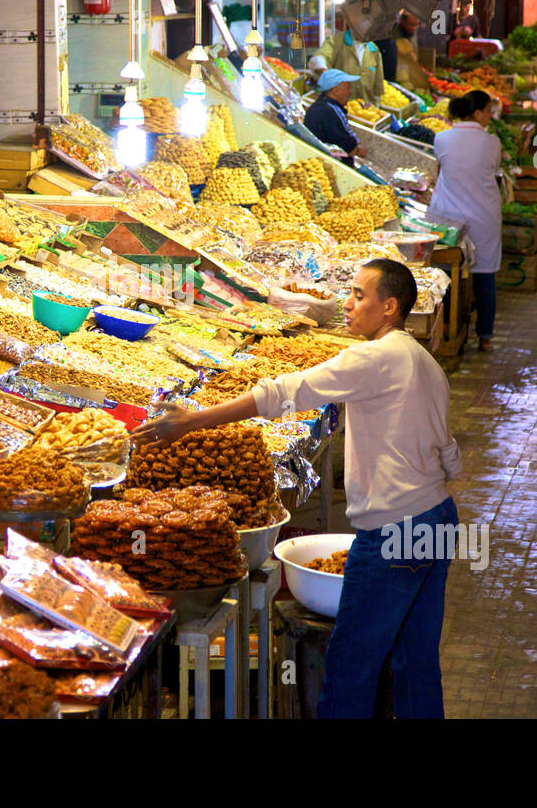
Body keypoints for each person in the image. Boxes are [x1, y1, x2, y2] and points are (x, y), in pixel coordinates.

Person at [131, 258, 462, 719]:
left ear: (390, 307)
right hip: (438, 519)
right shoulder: (426, 363)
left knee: (351, 662)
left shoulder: (373, 358)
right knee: (416, 660)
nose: (347, 305)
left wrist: (194, 421)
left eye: (359, 296)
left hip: (394, 531)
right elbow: (450, 455)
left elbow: (287, 391)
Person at [427, 89, 502, 351]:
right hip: (483, 216)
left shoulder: (442, 138)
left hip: (448, 217)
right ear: (478, 112)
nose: (491, 116)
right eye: (488, 111)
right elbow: (492, 169)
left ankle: (446, 328)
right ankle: (485, 337)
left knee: (447, 273)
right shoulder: (492, 142)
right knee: (484, 276)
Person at [317, 3, 386, 103]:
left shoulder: (374, 51)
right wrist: (326, 76)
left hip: (363, 113)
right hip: (339, 108)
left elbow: (378, 88)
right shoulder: (335, 42)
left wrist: (375, 107)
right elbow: (320, 58)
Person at [304, 69, 368, 165]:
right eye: (348, 88)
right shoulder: (331, 111)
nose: (350, 92)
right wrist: (358, 150)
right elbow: (350, 148)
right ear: (336, 91)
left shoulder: (316, 106)